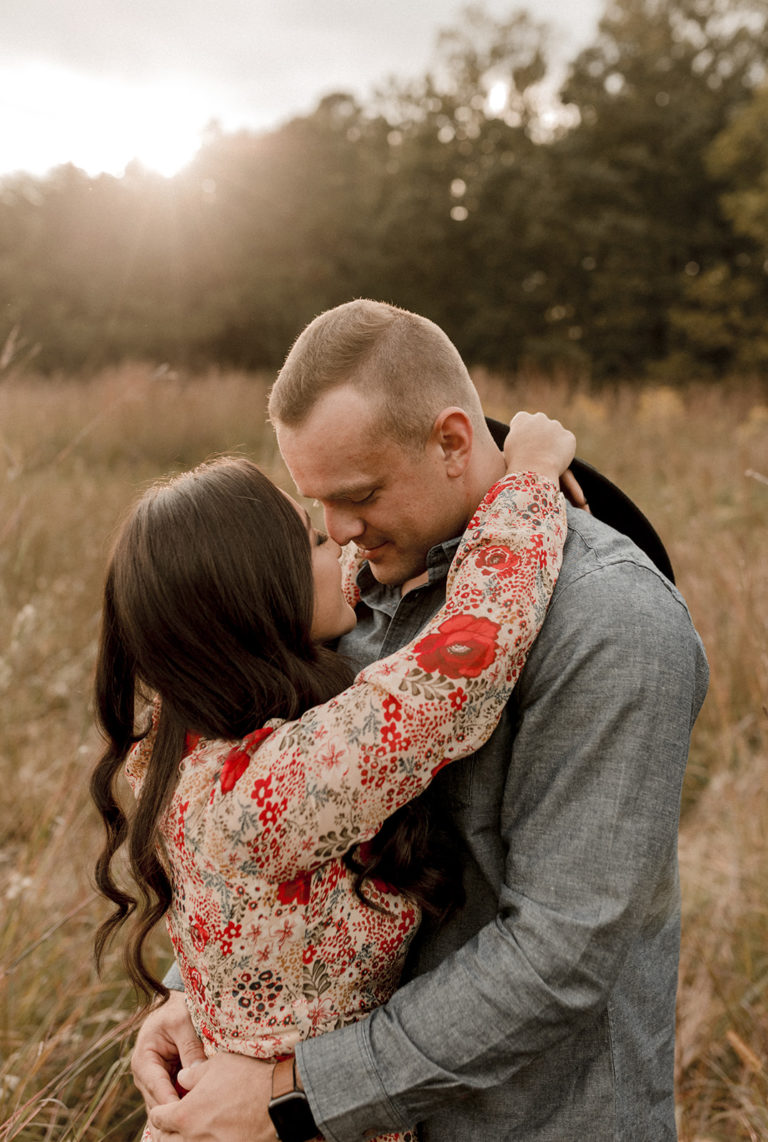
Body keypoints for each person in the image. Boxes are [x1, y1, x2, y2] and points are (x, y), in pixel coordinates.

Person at [134, 300, 709, 1142]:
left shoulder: (609, 621)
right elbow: (274, 820)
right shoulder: (342, 595)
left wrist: (295, 1095)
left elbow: (564, 953)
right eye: (317, 505)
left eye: (358, 495)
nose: (339, 533)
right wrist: (201, 998)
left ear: (450, 440)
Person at [91, 415, 575, 1142]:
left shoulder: (185, 738)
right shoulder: (273, 788)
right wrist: (529, 483)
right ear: (259, 602)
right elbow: (464, 658)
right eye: (314, 542)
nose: (343, 542)